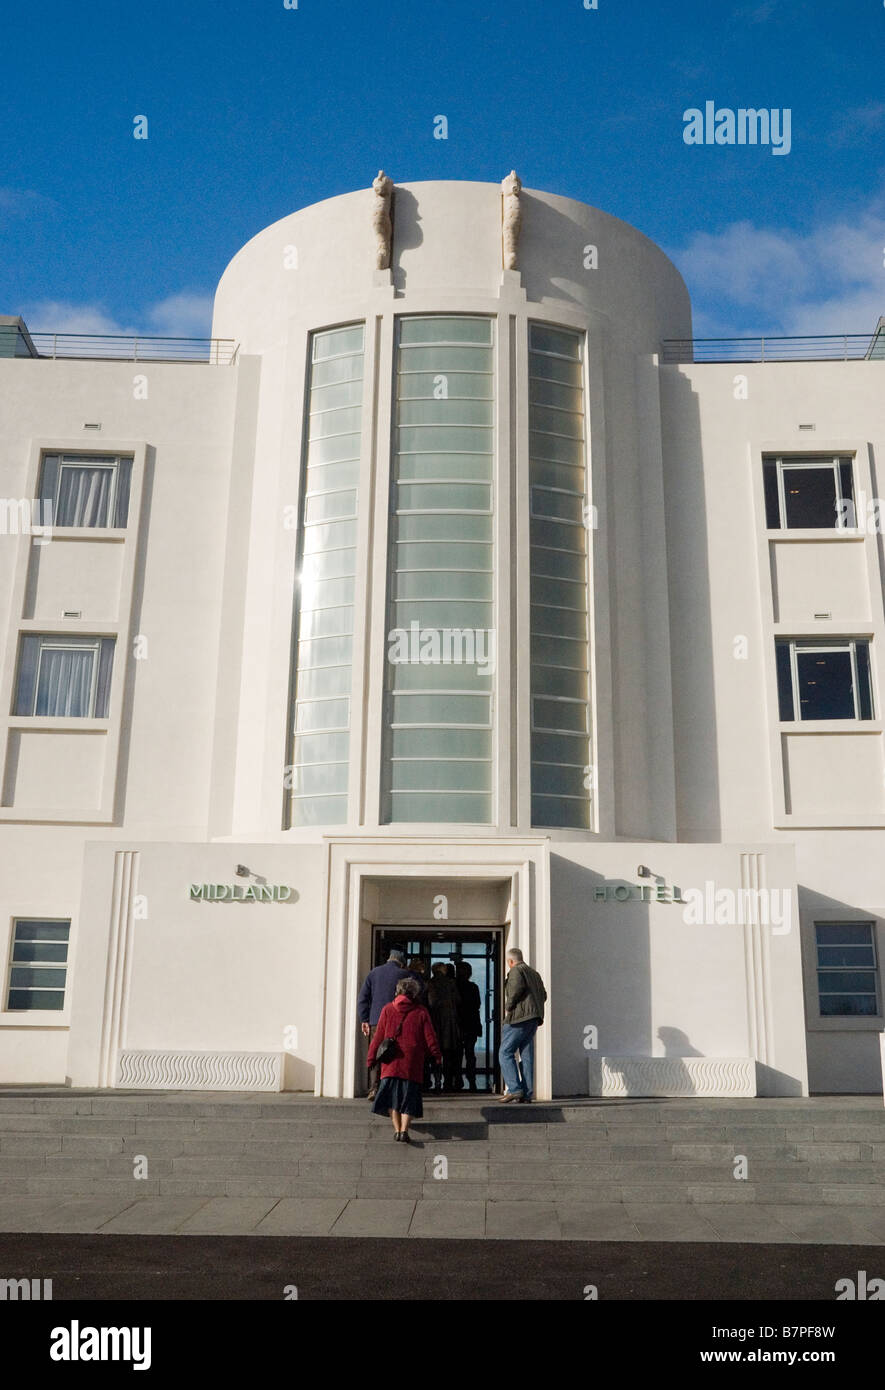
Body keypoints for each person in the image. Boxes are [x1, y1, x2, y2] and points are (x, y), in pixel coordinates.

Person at [368, 977, 442, 1142]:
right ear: (415, 993)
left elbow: (378, 1036)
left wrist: (371, 1057)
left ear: (398, 991)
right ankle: (404, 1130)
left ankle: (397, 1130)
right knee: (409, 1097)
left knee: (392, 1099)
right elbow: (430, 1037)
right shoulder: (421, 1011)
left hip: (391, 1063)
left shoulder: (387, 1009)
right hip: (412, 1062)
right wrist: (437, 1056)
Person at [358, 948, 412, 1100]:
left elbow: (363, 998)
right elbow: (417, 992)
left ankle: (374, 1088)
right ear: (401, 962)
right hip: (399, 1021)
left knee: (377, 1052)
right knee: (396, 1054)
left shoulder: (374, 973)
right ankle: (393, 1089)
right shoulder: (405, 974)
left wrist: (365, 1019)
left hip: (376, 1021)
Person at [498, 947, 547, 1103]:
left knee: (505, 1053)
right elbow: (543, 995)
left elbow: (515, 990)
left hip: (518, 1019)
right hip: (533, 1019)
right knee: (526, 1055)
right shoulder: (534, 973)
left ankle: (515, 1089)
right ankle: (527, 1093)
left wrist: (508, 1007)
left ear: (511, 961)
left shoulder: (516, 971)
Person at [427, 961, 462, 1092]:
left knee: (434, 1053)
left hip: (435, 1022)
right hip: (449, 1023)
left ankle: (436, 1081)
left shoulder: (430, 983)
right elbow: (458, 1000)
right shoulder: (451, 983)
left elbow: (431, 1002)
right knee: (448, 1054)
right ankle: (448, 1082)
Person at [455, 961, 482, 1092]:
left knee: (457, 1054)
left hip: (458, 1024)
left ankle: (457, 1080)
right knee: (470, 1054)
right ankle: (472, 1080)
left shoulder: (454, 986)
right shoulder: (473, 987)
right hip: (471, 1024)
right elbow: (477, 1005)